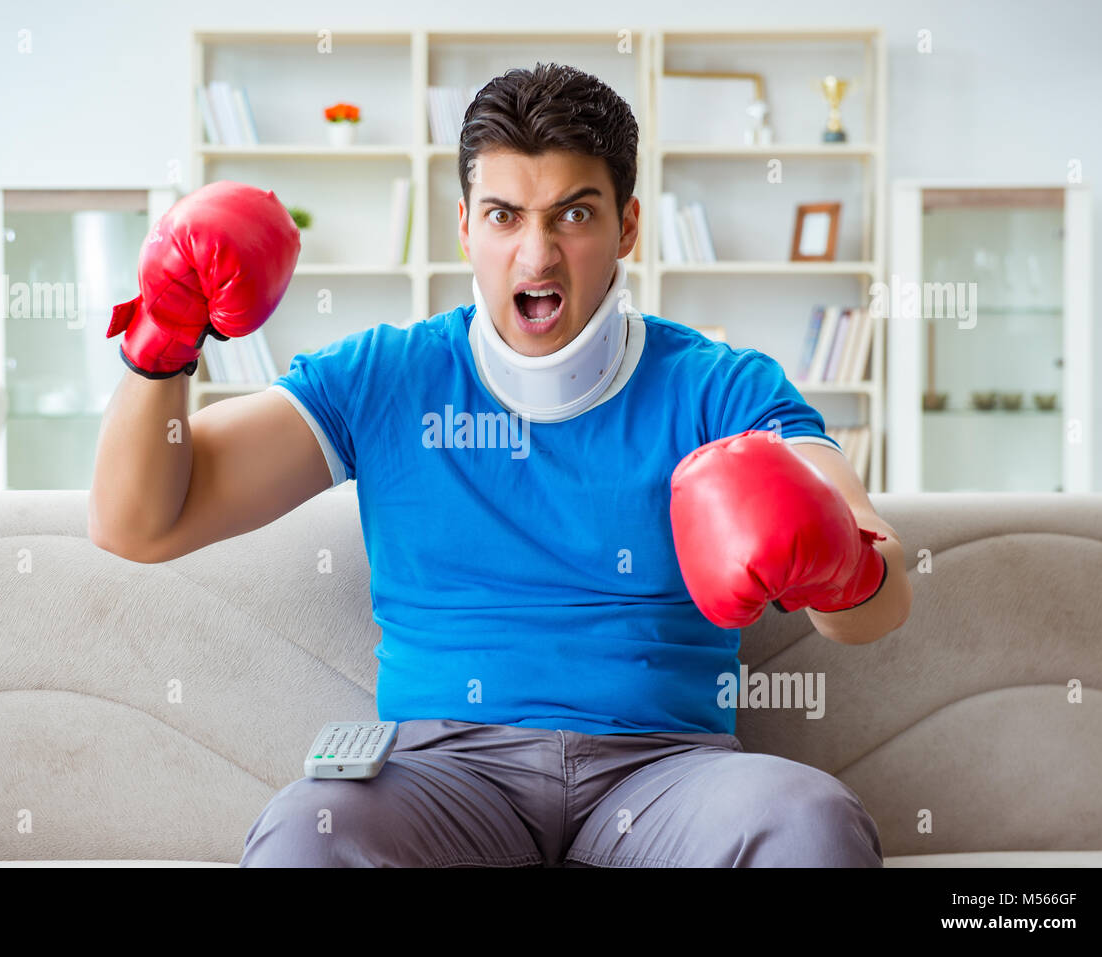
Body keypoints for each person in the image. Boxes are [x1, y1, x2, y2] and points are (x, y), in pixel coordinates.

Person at [90, 62, 911, 868]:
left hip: (669, 772)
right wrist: (161, 341)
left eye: (574, 215)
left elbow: (879, 599)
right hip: (442, 775)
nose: (537, 255)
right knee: (308, 830)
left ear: (627, 226)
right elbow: (139, 523)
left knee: (812, 822)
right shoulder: (385, 376)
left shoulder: (721, 385)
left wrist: (835, 560)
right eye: (504, 216)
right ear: (464, 225)